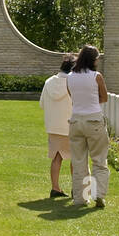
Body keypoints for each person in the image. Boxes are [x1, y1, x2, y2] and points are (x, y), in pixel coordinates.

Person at [65, 44, 110, 208]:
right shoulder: (96, 76)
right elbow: (104, 97)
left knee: (79, 162)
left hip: (76, 121)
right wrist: (91, 101)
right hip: (94, 120)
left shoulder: (70, 76)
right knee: (99, 160)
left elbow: (72, 97)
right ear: (94, 60)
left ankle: (81, 198)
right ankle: (98, 195)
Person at [39, 56, 75, 197]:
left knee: (56, 157)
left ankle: (55, 188)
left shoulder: (48, 82)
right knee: (76, 158)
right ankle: (76, 189)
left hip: (53, 126)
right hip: (71, 125)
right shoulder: (73, 83)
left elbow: (42, 104)